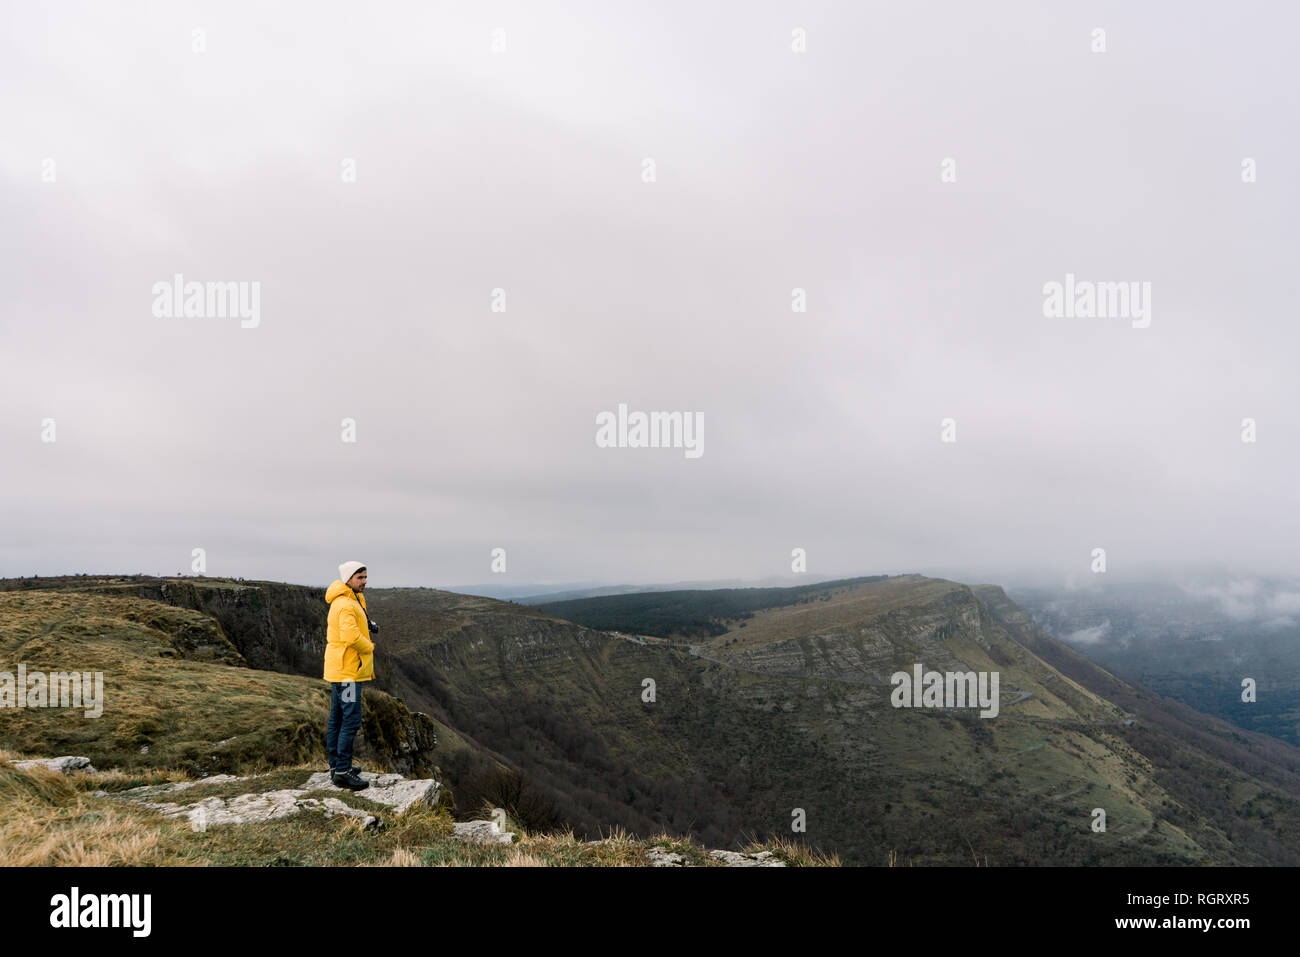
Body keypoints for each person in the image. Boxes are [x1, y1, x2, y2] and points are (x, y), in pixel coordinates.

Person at [323, 560, 374, 791]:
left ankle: (336, 766)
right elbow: (351, 637)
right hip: (348, 672)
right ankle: (342, 771)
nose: (364, 581)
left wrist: (369, 624)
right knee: (350, 720)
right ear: (348, 579)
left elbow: (354, 625)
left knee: (337, 718)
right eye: (359, 577)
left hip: (340, 668)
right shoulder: (345, 604)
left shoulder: (348, 599)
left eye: (365, 577)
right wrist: (370, 646)